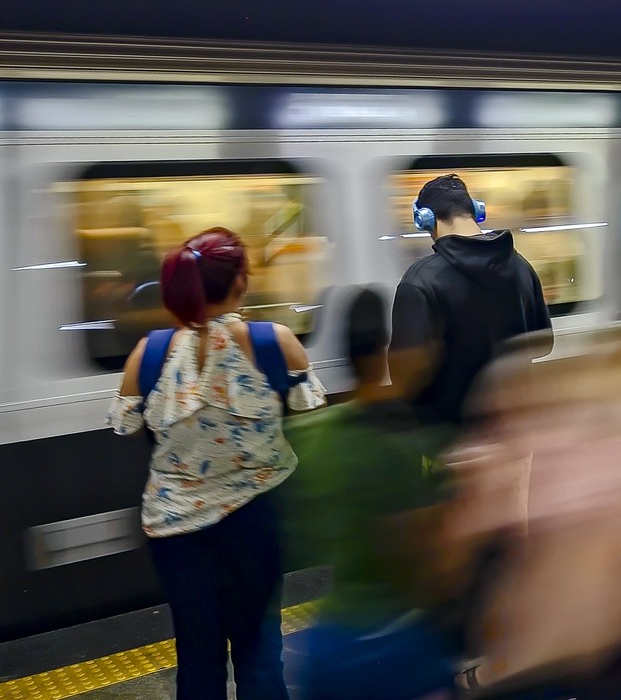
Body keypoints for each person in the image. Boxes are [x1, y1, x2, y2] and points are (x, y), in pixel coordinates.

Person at [108, 228, 325, 700]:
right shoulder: (276, 343)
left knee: (197, 651)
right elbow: (309, 407)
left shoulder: (149, 352)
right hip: (255, 520)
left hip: (175, 531)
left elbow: (124, 423)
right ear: (241, 284)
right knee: (259, 647)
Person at [284, 287, 456, 700]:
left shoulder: (313, 436)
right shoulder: (405, 445)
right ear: (387, 350)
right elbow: (422, 564)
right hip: (397, 645)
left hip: (328, 646)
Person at [391, 175, 551, 429]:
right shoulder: (521, 266)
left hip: (451, 438)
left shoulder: (419, 280)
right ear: (476, 210)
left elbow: (404, 375)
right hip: (515, 430)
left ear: (425, 219)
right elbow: (542, 343)